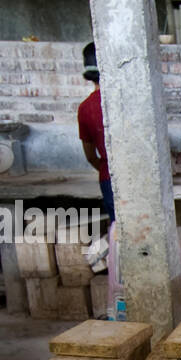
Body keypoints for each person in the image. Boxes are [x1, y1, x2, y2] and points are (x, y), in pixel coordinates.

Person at [77, 41, 114, 223]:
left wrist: (107, 167)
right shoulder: (124, 101)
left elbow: (90, 156)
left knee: (119, 233)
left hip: (108, 178)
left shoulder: (85, 108)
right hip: (137, 178)